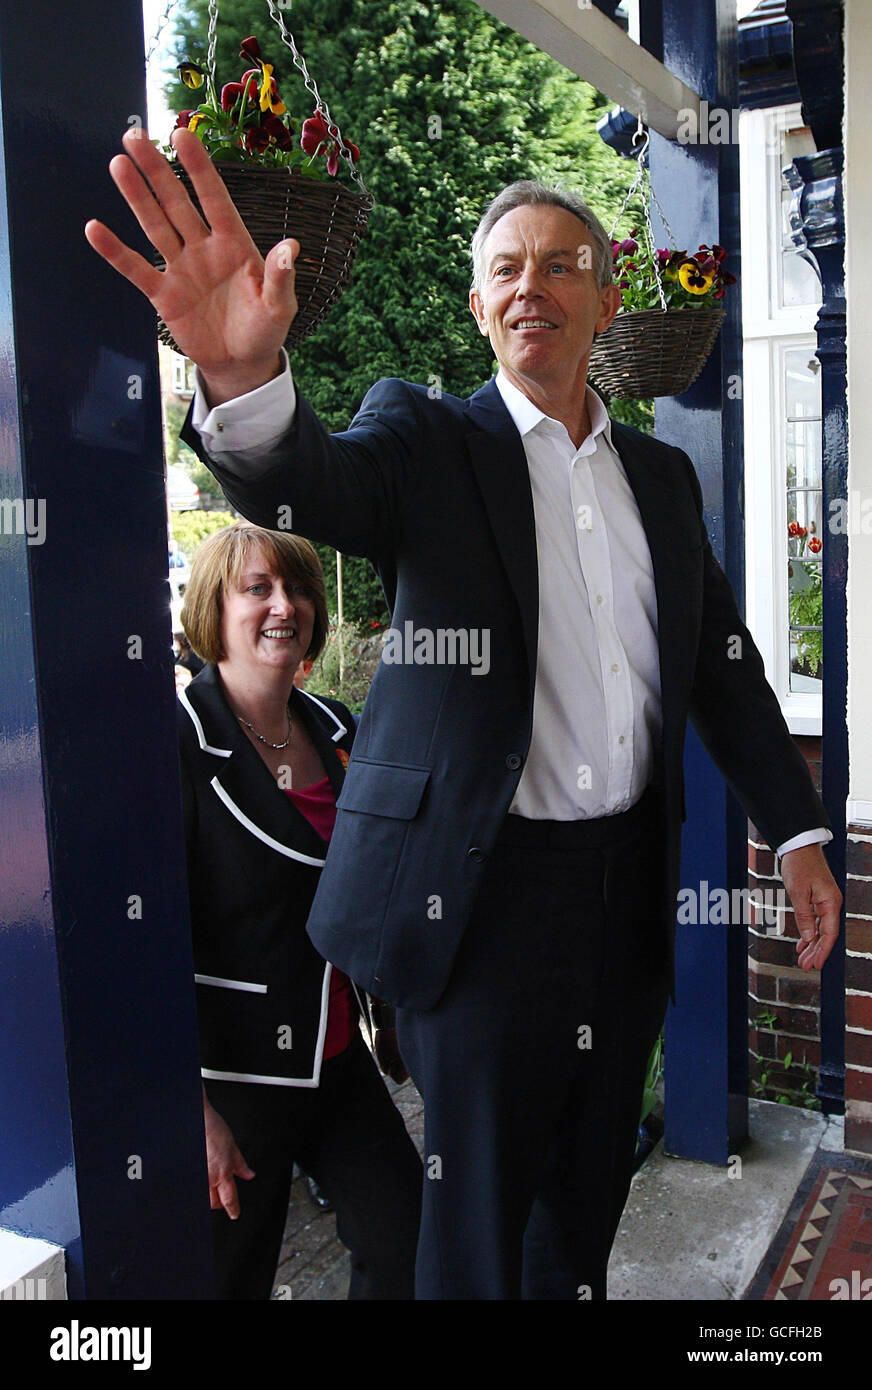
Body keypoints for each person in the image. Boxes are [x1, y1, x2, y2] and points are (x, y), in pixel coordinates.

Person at [86, 127, 842, 1300]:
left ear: (601, 297)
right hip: (481, 906)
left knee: (582, 1206)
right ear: (478, 305)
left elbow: (722, 664)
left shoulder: (660, 480)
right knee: (474, 1226)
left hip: (622, 899)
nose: (528, 286)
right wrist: (241, 381)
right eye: (504, 268)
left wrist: (793, 832)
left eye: (557, 264)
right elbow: (312, 485)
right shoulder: (429, 441)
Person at [175, 521, 421, 1299]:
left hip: (336, 1055)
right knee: (232, 1277)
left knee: (403, 1236)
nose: (285, 606)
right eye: (258, 589)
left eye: (297, 590)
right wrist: (193, 1110)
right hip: (235, 1075)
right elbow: (142, 946)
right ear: (215, 608)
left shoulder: (337, 728)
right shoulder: (176, 745)